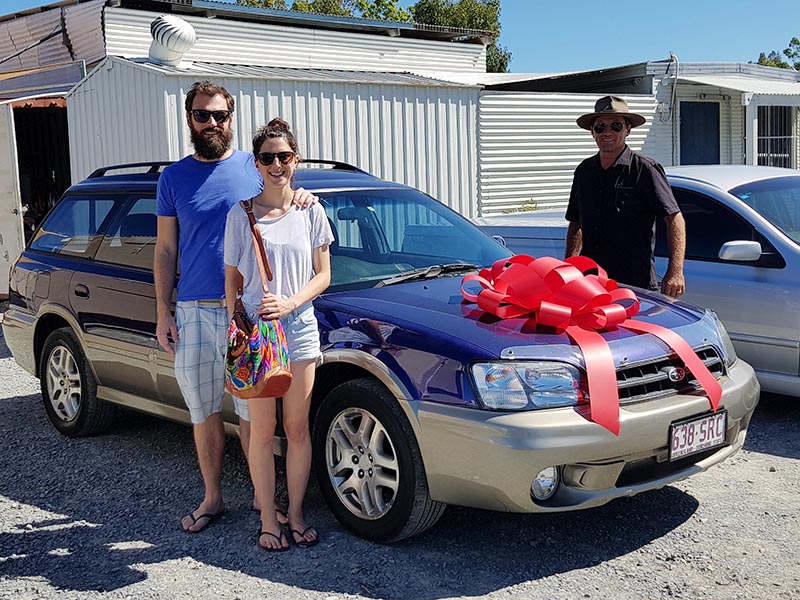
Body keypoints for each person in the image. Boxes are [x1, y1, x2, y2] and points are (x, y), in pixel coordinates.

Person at [154, 81, 315, 534]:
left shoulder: (255, 164)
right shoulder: (173, 178)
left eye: (220, 115)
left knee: (253, 417)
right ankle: (212, 498)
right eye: (203, 115)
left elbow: (287, 196)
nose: (212, 123)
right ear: (189, 119)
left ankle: (261, 503)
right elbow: (166, 250)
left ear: (231, 119)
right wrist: (163, 310)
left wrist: (303, 195)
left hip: (247, 315)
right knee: (203, 411)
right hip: (192, 312)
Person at [224, 118, 333, 551]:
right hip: (259, 335)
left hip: (300, 328)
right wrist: (237, 327)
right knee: (263, 431)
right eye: (267, 158)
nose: (276, 164)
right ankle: (269, 518)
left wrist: (290, 303)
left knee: (298, 428)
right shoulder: (242, 213)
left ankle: (298, 513)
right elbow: (230, 280)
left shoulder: (311, 210)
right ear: (256, 163)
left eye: (283, 157)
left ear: (295, 160)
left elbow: (324, 275)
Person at [564, 96, 686, 297]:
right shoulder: (584, 171)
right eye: (600, 126)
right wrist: (569, 267)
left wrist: (676, 272)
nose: (607, 131)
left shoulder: (645, 170)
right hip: (591, 285)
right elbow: (576, 222)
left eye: (616, 125)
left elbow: (675, 218)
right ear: (592, 132)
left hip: (636, 288)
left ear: (628, 129)